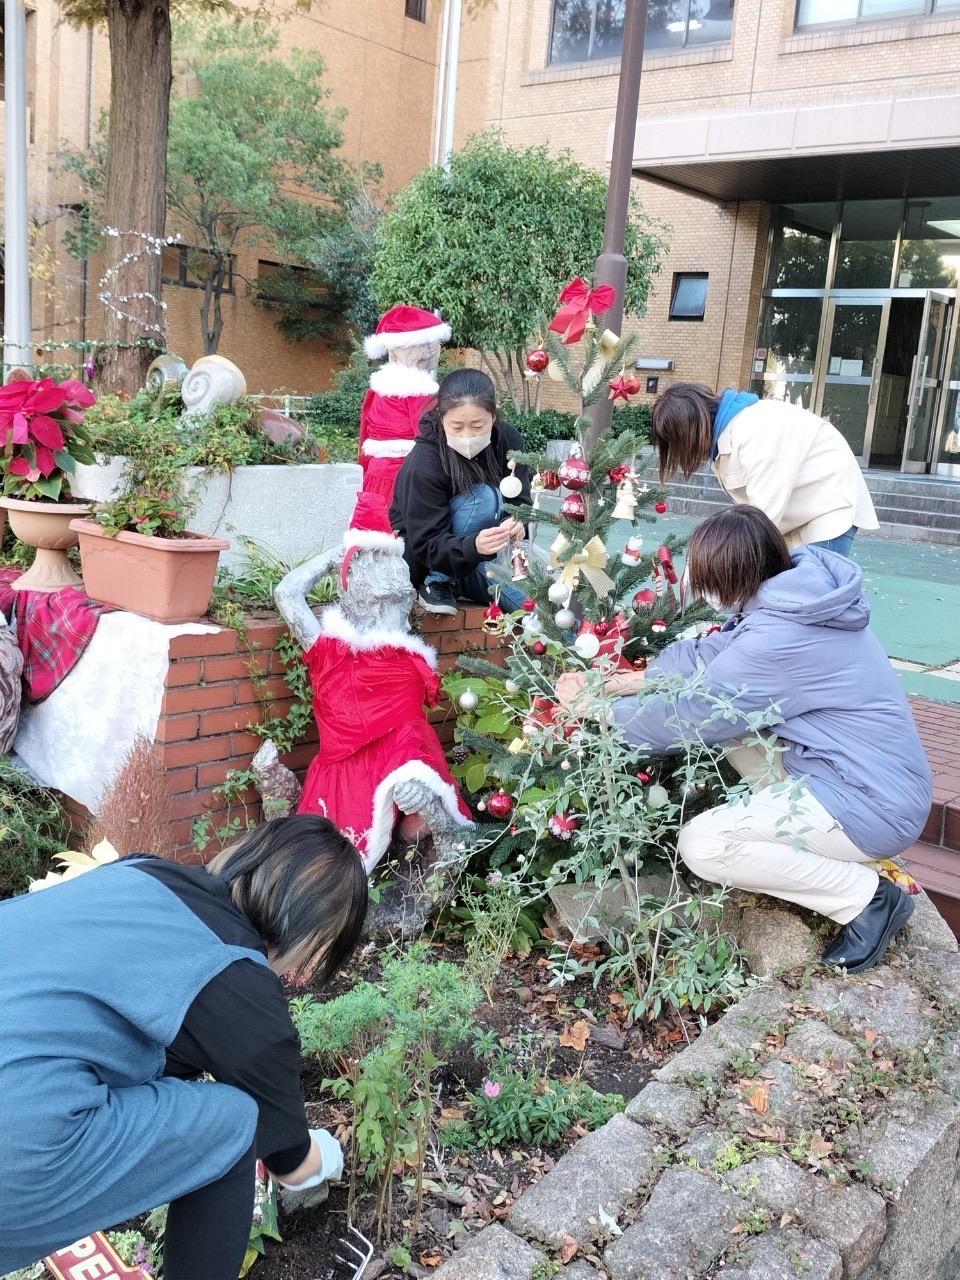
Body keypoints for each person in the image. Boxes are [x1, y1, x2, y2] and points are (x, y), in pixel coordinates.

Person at [556, 505, 932, 975]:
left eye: (708, 578)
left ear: (733, 576)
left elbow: (693, 716)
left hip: (869, 804)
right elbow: (714, 655)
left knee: (704, 845)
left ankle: (868, 900)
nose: (704, 590)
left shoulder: (778, 639)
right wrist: (624, 682)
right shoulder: (798, 600)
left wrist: (596, 712)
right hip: (861, 776)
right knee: (738, 732)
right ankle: (804, 843)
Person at [0, 814, 368, 1280]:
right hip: (18, 1143)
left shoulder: (140, 873)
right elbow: (293, 1168)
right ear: (314, 936)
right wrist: (327, 1155)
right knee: (232, 1128)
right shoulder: (242, 986)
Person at [651, 382, 879, 556]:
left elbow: (761, 521)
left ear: (689, 432)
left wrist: (716, 559)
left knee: (813, 596)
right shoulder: (723, 440)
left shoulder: (754, 433)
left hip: (827, 508)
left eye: (678, 445)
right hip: (794, 517)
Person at [390, 368, 532, 616]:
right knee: (483, 498)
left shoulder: (508, 441)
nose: (467, 436)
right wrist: (473, 546)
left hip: (487, 551)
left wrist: (517, 521)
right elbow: (425, 542)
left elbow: (520, 502)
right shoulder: (424, 462)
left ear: (494, 414)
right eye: (456, 426)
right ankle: (438, 581)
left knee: (545, 596)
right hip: (430, 559)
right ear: (440, 416)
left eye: (478, 426)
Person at [357, 304, 451, 510]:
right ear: (422, 348)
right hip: (408, 477)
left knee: (373, 523)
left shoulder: (377, 389)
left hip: (375, 473)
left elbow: (364, 434)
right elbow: (430, 437)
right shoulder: (421, 391)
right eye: (436, 343)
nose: (438, 350)